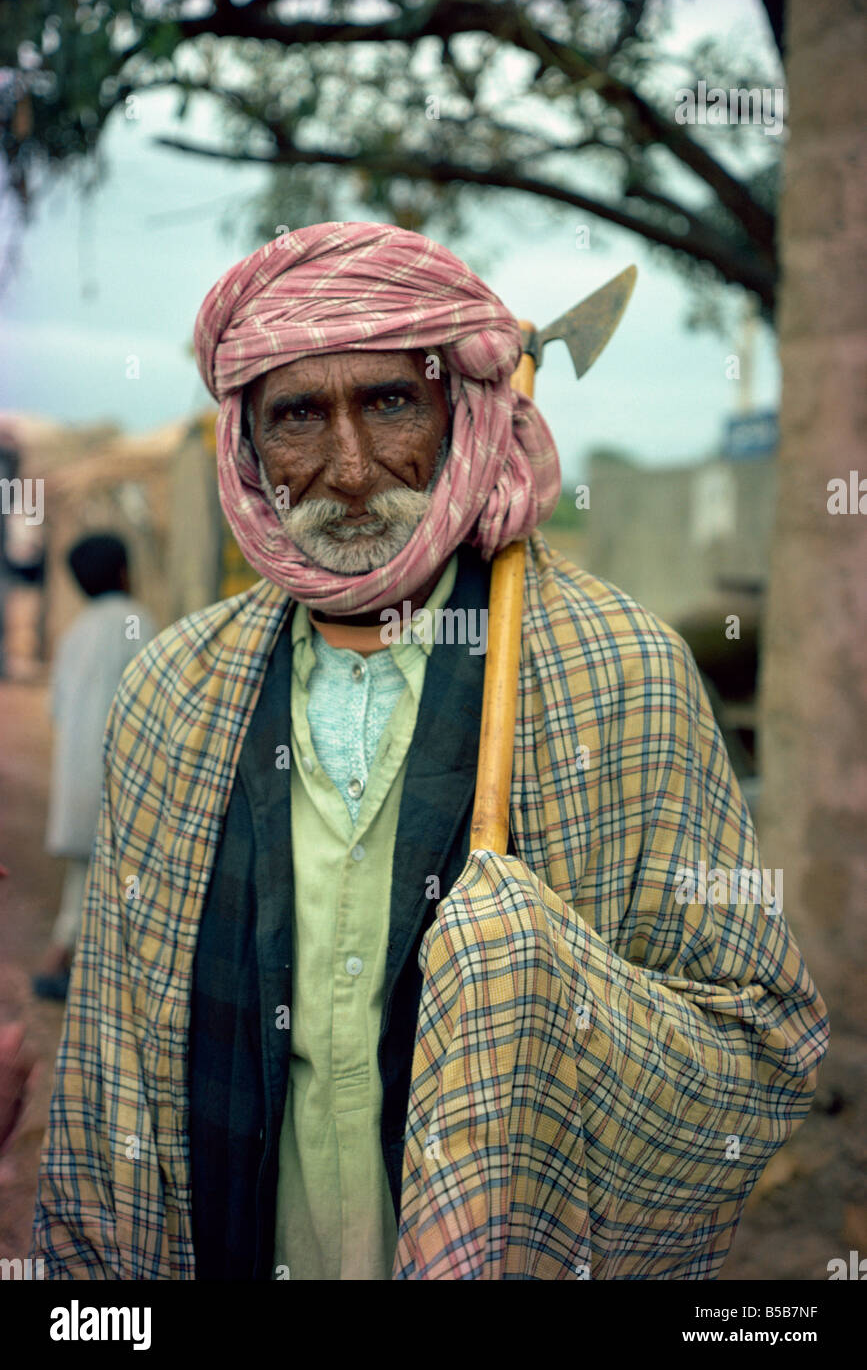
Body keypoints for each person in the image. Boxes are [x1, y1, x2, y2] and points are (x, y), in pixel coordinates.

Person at [32, 222, 829, 1281]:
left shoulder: (620, 671)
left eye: (393, 402)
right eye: (300, 416)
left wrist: (537, 971)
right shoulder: (173, 692)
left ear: (464, 412)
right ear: (246, 446)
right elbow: (108, 1073)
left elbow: (762, 1051)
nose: (352, 469)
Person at [33, 533, 157, 1000]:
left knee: (86, 875)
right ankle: (101, 976)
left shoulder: (76, 632)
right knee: (125, 877)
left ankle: (66, 963)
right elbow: (153, 694)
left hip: (76, 774)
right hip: (119, 773)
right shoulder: (135, 621)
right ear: (125, 572)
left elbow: (57, 708)